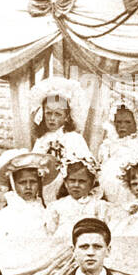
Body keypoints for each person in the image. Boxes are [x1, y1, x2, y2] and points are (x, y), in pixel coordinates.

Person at [30, 77, 93, 206]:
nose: (52, 118)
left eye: (57, 114)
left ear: (66, 117)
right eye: (48, 113)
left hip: (66, 190)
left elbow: (85, 169)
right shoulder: (41, 140)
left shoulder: (74, 138)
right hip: (44, 188)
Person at [0, 149, 58, 238]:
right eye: (22, 182)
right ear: (13, 184)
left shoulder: (46, 214)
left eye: (33, 182)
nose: (28, 187)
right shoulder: (5, 216)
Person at [99, 100, 138, 206]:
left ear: (137, 123)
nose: (122, 126)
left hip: (131, 187)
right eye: (118, 122)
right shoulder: (108, 144)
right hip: (108, 188)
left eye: (127, 122)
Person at [48, 155, 110, 239]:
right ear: (65, 183)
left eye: (82, 181)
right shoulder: (57, 206)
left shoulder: (99, 205)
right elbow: (50, 232)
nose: (76, 185)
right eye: (72, 181)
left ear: (92, 183)